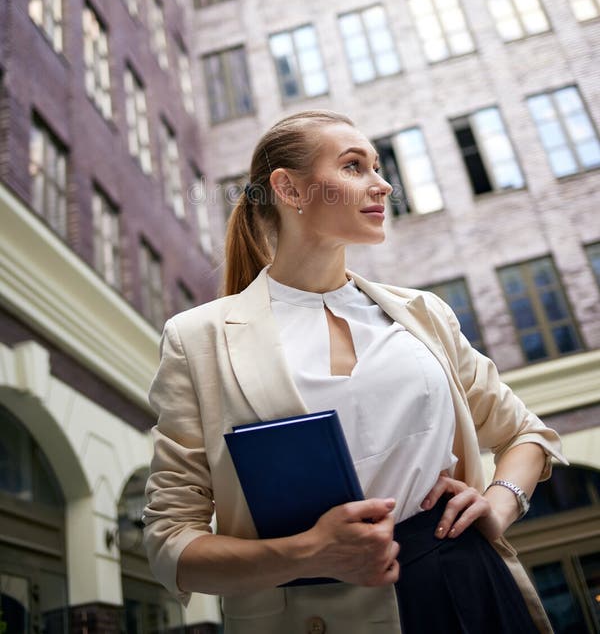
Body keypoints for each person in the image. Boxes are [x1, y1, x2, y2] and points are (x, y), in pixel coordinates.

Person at [143, 109, 566, 634]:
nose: (383, 184)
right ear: (290, 190)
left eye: (378, 166)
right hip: (316, 615)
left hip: (469, 587)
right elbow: (170, 540)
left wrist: (499, 506)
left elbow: (526, 433)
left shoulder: (423, 314)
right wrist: (307, 554)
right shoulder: (198, 339)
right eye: (354, 166)